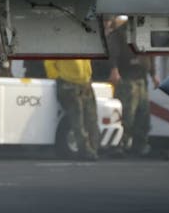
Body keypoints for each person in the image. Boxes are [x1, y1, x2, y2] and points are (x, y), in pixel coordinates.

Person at [106, 16, 159, 155]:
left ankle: (139, 145)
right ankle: (119, 145)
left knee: (143, 115)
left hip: (141, 79)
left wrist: (153, 75)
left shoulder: (144, 32)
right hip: (127, 79)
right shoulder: (119, 33)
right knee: (126, 116)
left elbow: (150, 53)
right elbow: (112, 53)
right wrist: (114, 69)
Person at [43, 58, 100, 159]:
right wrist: (57, 78)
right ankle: (85, 151)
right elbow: (49, 62)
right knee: (77, 120)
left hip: (85, 83)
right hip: (68, 84)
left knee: (92, 118)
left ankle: (93, 148)